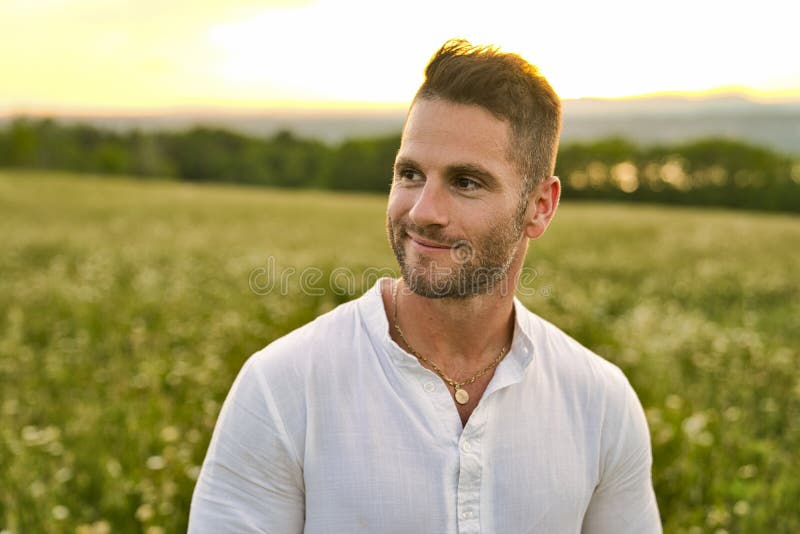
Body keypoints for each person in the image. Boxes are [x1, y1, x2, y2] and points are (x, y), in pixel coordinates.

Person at [189, 39, 661, 533]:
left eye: (466, 182)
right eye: (410, 174)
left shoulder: (601, 404)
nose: (422, 212)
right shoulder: (281, 388)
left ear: (540, 206)